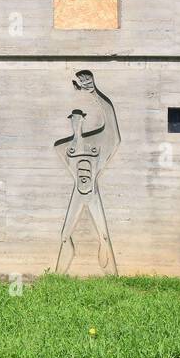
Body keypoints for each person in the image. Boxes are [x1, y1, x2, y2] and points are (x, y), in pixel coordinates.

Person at [54, 70, 120, 274]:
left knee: (104, 235)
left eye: (78, 118)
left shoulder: (97, 144)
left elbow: (113, 133)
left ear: (83, 119)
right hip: (78, 193)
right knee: (65, 236)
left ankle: (112, 275)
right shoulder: (63, 148)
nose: (76, 122)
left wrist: (94, 92)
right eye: (73, 119)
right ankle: (58, 275)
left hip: (92, 193)